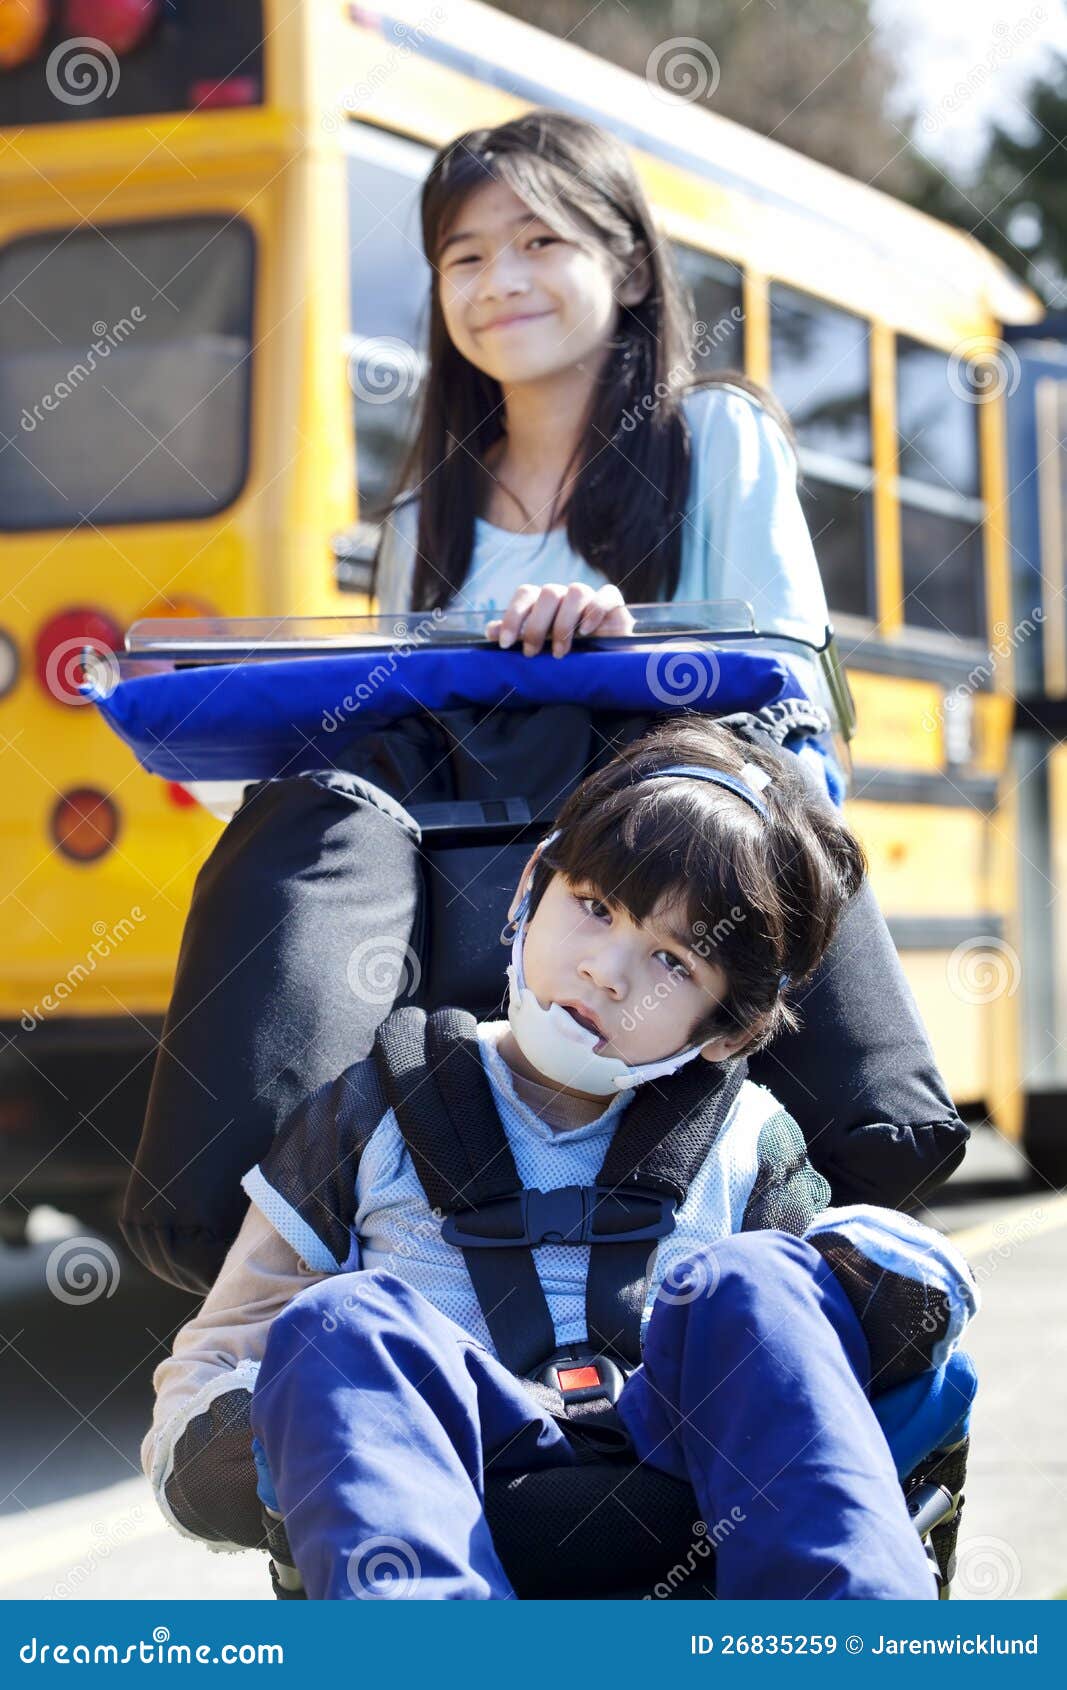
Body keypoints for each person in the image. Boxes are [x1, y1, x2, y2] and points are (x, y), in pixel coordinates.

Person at [122, 106, 967, 1299]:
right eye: (462, 256)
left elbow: (790, 712)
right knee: (317, 807)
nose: (497, 282)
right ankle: (250, 1204)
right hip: (487, 900)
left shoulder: (714, 438)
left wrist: (633, 651)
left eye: (537, 242)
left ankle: (863, 1161)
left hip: (665, 874)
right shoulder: (424, 515)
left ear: (628, 268)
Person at [142, 719, 978, 1601]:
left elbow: (809, 1353)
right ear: (531, 888)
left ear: (728, 1030)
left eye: (672, 961)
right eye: (595, 908)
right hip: (438, 1483)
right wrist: (258, 1441)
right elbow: (221, 1348)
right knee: (340, 1323)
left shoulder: (745, 1137)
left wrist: (889, 1283)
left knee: (769, 1279)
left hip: (694, 1497)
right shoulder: (369, 1108)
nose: (608, 972)